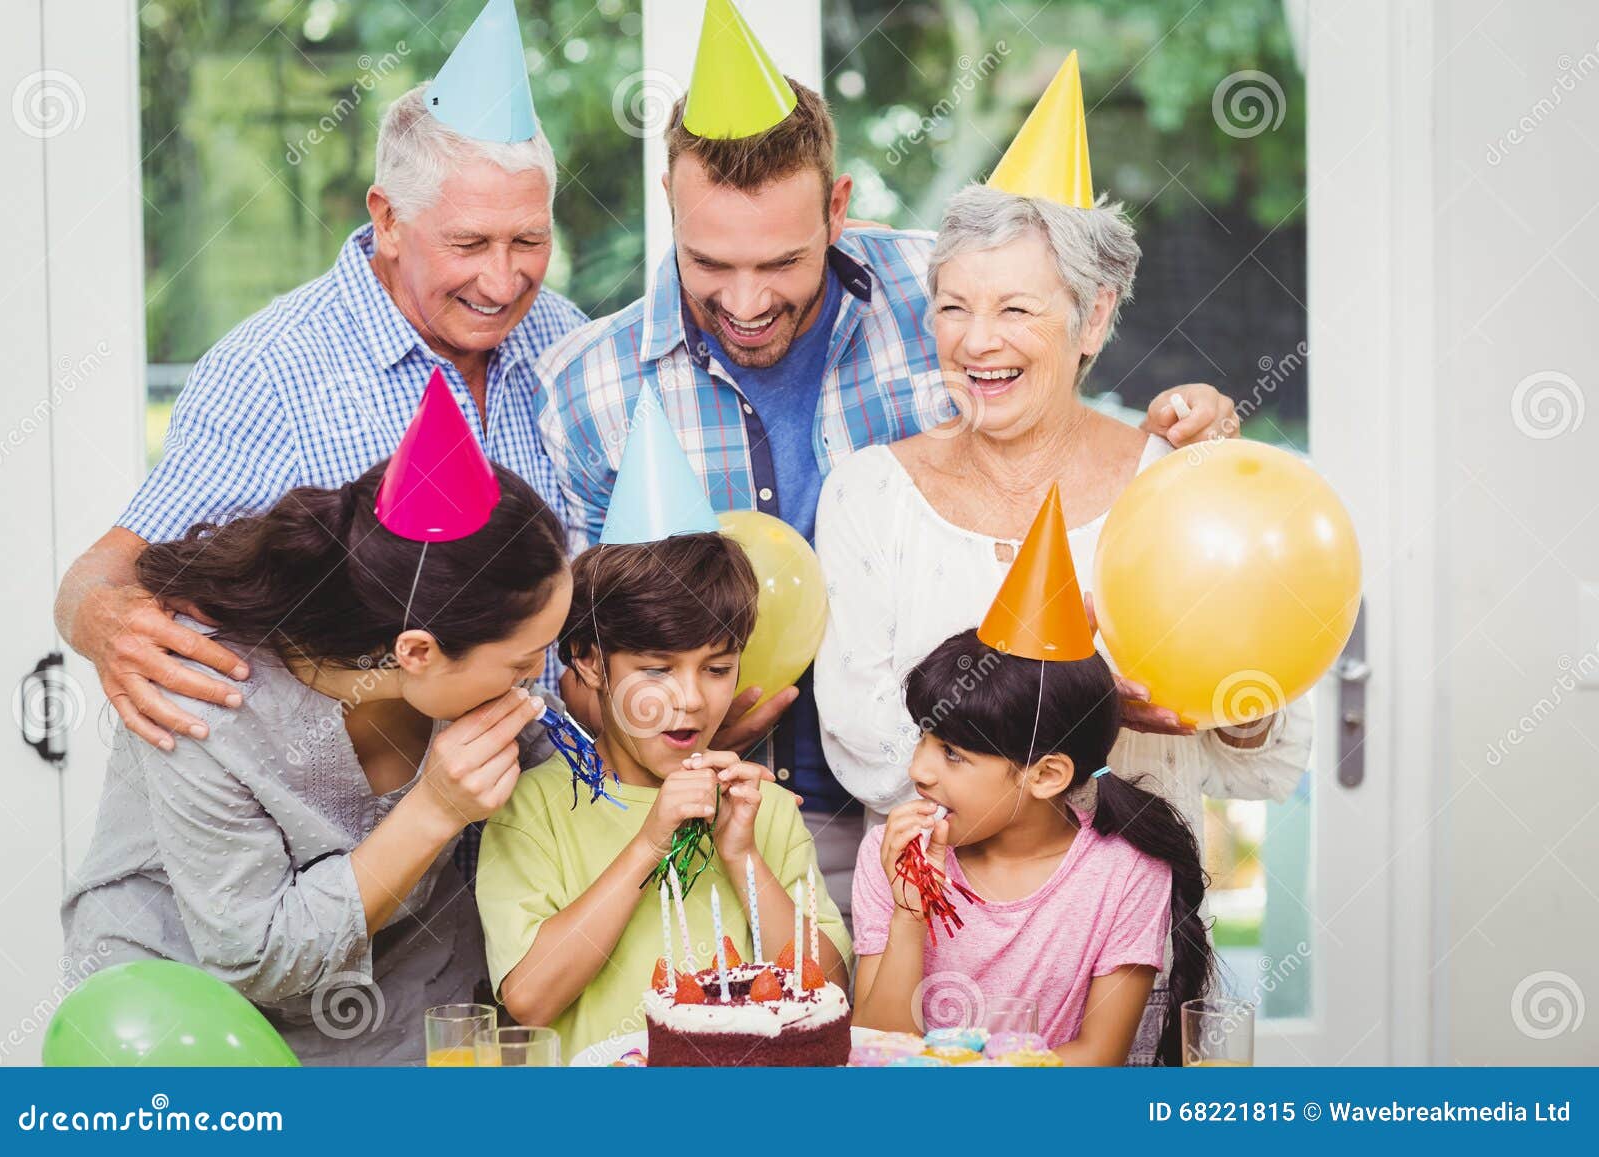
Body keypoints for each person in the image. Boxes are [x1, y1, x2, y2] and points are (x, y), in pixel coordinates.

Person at [536, 13, 1238, 919]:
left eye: (783, 261)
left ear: (839, 209)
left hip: (911, 822)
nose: (745, 302)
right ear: (671, 210)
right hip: (704, 827)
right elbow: (562, 656)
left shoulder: (938, 295)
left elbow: (1053, 390)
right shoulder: (588, 389)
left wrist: (1194, 429)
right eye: (707, 261)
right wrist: (656, 718)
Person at [55, 29, 584, 754]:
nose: (503, 281)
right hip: (364, 844)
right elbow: (105, 570)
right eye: (469, 244)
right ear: (388, 218)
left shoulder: (565, 336)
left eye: (528, 241)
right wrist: (102, 619)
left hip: (555, 822)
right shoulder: (268, 371)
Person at [814, 183, 1312, 844]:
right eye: (954, 307)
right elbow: (869, 755)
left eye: (1016, 308)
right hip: (930, 933)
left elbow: (1258, 758)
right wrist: (1091, 707)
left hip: (1136, 926)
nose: (978, 340)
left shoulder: (1172, 480)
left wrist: (1230, 697)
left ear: (1095, 316)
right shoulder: (869, 494)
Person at [60, 457, 572, 1065]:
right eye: (521, 664)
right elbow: (254, 955)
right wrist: (435, 809)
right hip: (187, 1013)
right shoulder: (207, 700)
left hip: (398, 1000)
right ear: (417, 651)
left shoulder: (450, 670)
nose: (536, 683)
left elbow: (581, 777)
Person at [476, 533, 850, 1062]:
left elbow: (827, 993)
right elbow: (531, 1000)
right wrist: (648, 844)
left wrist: (742, 858)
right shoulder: (530, 810)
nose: (693, 699)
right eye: (657, 669)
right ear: (589, 662)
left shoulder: (757, 807)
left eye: (718, 669)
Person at [851, 626, 1215, 1066]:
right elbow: (878, 1051)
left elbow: (1098, 1058)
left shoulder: (1127, 873)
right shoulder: (888, 856)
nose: (917, 769)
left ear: (1045, 776)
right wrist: (909, 914)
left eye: (951, 752)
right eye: (921, 737)